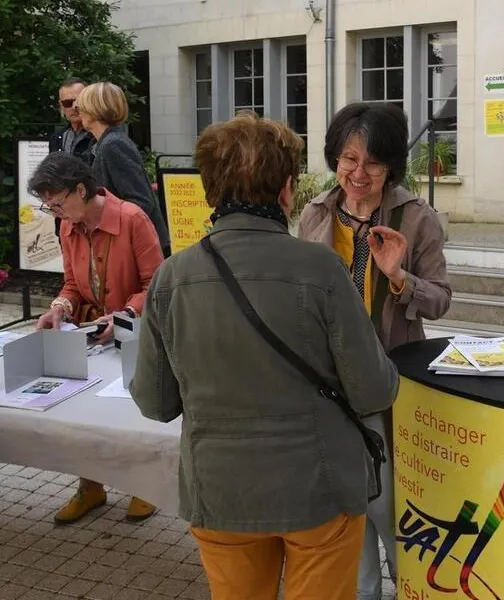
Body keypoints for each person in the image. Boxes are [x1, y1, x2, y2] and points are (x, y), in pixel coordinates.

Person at [131, 112, 399, 600]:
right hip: (319, 489)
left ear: (210, 193)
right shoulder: (321, 268)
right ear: (286, 189)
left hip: (221, 491)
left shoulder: (172, 276)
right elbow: (373, 390)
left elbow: (155, 402)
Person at [298, 101, 451, 600]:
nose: (357, 174)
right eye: (348, 159)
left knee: (386, 503)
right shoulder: (316, 213)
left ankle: (411, 584)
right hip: (329, 384)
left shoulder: (415, 217)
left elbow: (441, 301)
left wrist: (399, 278)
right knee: (348, 504)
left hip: (387, 380)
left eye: (372, 163)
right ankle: (363, 590)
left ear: (391, 166)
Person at [28, 152, 164, 525]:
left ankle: (145, 486)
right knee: (85, 414)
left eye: (57, 203)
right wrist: (59, 307)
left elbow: (157, 285)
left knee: (132, 411)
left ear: (82, 189)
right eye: (48, 205)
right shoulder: (68, 227)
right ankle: (91, 485)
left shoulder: (133, 219)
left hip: (136, 333)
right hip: (93, 333)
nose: (54, 212)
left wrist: (125, 314)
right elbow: (72, 284)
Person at [75, 82, 171, 256]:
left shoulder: (113, 145)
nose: (78, 111)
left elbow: (141, 201)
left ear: (94, 109)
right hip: (133, 243)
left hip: (141, 247)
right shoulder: (103, 143)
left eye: (81, 106)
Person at [49, 77, 95, 239]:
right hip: (65, 220)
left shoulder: (99, 136)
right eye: (68, 103)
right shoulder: (57, 137)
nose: (74, 107)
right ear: (61, 106)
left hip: (93, 218)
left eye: (78, 101)